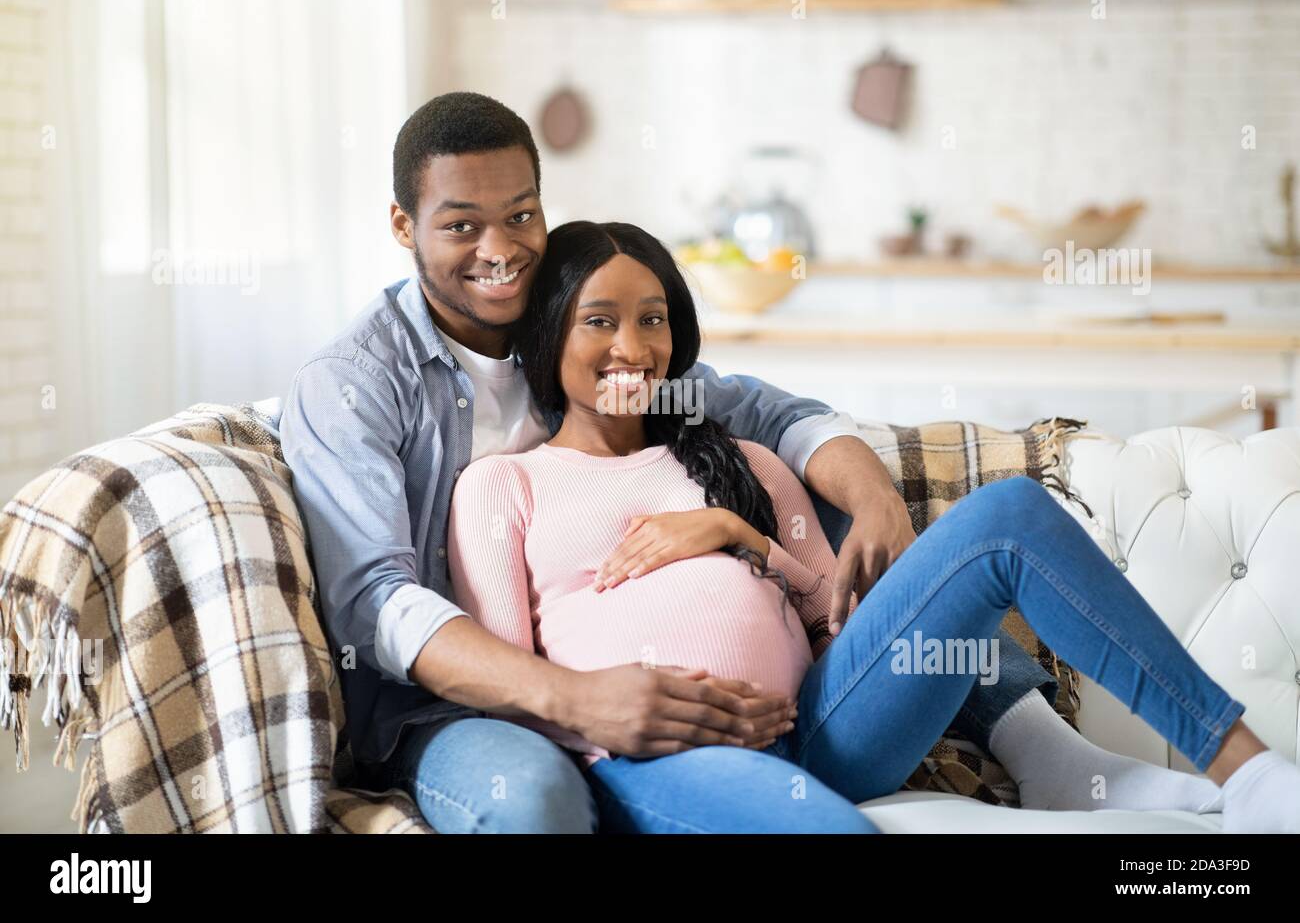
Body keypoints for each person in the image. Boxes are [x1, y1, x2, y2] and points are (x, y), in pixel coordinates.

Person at [444, 218, 1300, 834]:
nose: (632, 345)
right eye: (600, 320)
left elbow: (835, 613)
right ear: (550, 329)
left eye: (653, 317)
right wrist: (632, 713)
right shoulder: (503, 487)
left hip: (817, 728)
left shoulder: (739, 459)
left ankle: (1250, 771)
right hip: (648, 760)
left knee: (1006, 515)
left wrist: (741, 537)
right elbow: (508, 689)